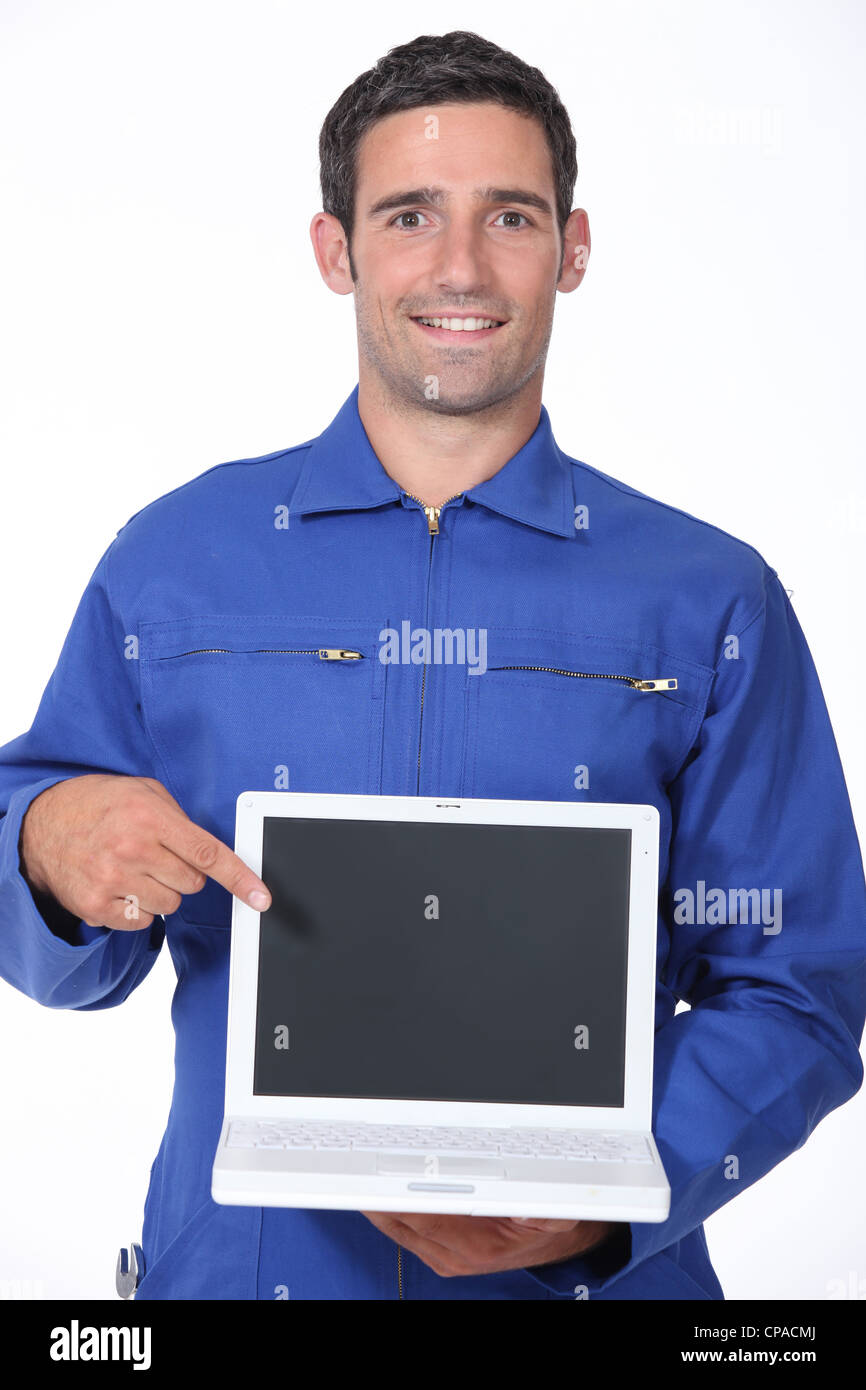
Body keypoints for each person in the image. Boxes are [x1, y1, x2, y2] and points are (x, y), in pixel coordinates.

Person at [1, 29, 864, 1302]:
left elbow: (797, 984)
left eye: (508, 216)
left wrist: (598, 1210)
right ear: (335, 250)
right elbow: (51, 917)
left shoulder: (710, 598)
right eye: (409, 215)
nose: (458, 266)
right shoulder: (170, 564)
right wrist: (46, 854)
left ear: (572, 250)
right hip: (237, 1279)